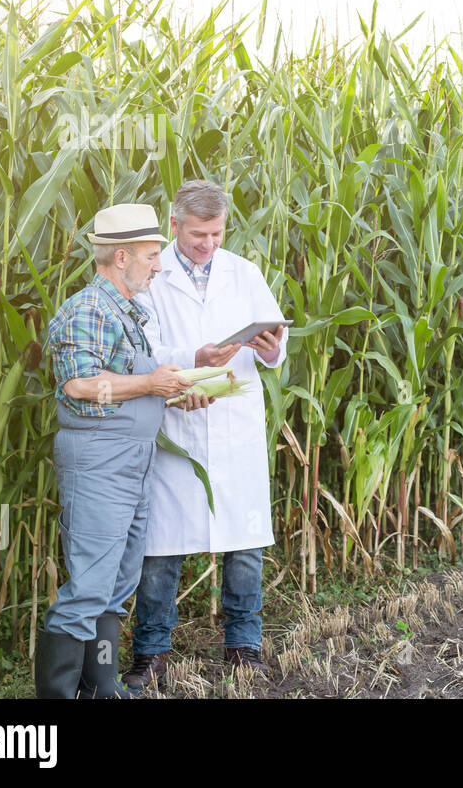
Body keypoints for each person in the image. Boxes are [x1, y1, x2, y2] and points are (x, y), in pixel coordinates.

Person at [37, 203, 212, 699]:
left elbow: (134, 383)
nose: (159, 265)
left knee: (115, 586)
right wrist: (150, 382)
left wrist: (175, 390)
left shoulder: (128, 311)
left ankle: (103, 687)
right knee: (88, 588)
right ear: (120, 257)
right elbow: (79, 386)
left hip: (134, 461)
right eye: (152, 255)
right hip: (100, 461)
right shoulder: (87, 308)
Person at [123, 180, 288, 691]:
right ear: (174, 226)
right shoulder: (153, 276)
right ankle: (150, 653)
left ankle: (244, 646)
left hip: (234, 425)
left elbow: (276, 350)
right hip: (176, 421)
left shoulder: (245, 273)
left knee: (244, 542)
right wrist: (195, 361)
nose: (208, 245)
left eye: (216, 234)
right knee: (162, 545)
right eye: (198, 235)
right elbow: (142, 351)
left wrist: (269, 349)